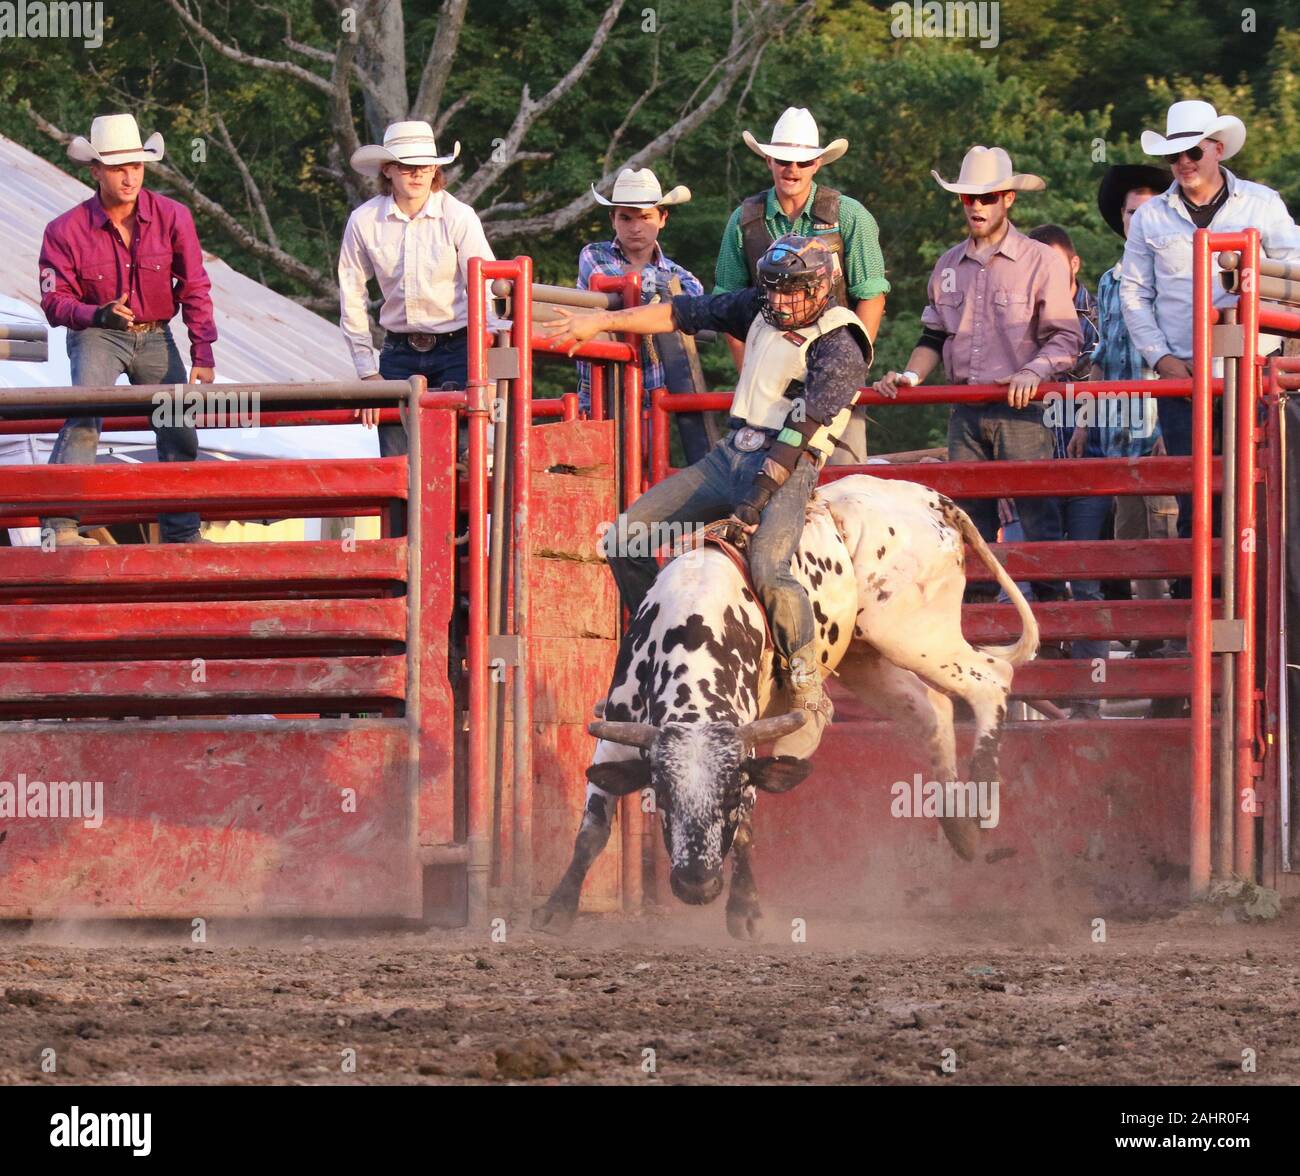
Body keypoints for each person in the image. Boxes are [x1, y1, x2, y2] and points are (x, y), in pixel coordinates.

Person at [543, 235, 872, 725]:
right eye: (774, 290)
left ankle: (805, 682)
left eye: (791, 292)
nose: (779, 301)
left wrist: (755, 501)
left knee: (769, 568)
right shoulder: (761, 305)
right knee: (626, 538)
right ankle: (655, 639)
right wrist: (603, 320)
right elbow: (680, 313)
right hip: (731, 455)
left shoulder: (840, 343)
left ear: (821, 289)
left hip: (789, 462)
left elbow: (801, 432)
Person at [874, 146, 1081, 599]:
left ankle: (1053, 627)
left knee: (1038, 517)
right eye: (969, 198)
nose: (977, 206)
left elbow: (1067, 338)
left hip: (1023, 409)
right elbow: (932, 336)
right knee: (968, 522)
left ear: (1008, 199)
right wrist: (910, 376)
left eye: (986, 197)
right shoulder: (948, 264)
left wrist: (1034, 371)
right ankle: (972, 629)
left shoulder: (1040, 260)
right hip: (964, 409)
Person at [1121, 100, 1300, 602]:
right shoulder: (1152, 217)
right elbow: (1134, 292)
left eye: (1193, 152)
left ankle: (1254, 605)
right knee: (1194, 495)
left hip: (1255, 373)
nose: (1183, 164)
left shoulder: (1263, 204)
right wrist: (1161, 358)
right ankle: (1198, 603)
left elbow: (1295, 272)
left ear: (1216, 150)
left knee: (1256, 494)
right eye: (1175, 156)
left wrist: (1251, 309)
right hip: (1187, 376)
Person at [38, 113, 215, 546]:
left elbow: (194, 284)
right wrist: (99, 314)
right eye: (118, 167)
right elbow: (53, 301)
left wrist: (203, 352)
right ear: (95, 171)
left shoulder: (173, 216)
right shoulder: (64, 230)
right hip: (97, 334)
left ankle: (181, 535)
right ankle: (60, 526)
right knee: (86, 415)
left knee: (176, 424)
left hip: (156, 332)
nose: (129, 176)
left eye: (136, 166)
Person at [713, 107, 888, 464]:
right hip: (767, 380)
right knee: (758, 482)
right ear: (769, 161)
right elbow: (727, 309)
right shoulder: (744, 220)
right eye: (782, 159)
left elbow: (871, 296)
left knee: (840, 482)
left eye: (802, 161)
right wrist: (753, 377)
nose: (792, 168)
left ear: (817, 164)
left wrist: (849, 371)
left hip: (832, 368)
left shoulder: (851, 216)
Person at [339, 120, 496, 456]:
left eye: (424, 166)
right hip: (397, 351)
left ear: (434, 170)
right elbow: (351, 292)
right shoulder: (364, 221)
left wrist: (487, 361)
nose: (417, 174)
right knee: (398, 464)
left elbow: (485, 288)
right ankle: (403, 510)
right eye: (407, 166)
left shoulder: (458, 216)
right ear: (388, 170)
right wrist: (367, 374)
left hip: (458, 348)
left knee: (460, 459)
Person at [1094, 164, 1178, 632]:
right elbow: (1105, 354)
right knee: (1129, 544)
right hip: (1117, 433)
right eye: (1131, 212)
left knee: (1165, 539)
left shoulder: (1175, 280)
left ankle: (1170, 642)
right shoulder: (1110, 281)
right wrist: (1086, 415)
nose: (1139, 219)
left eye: (1148, 211)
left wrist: (1174, 420)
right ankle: (1147, 641)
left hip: (1159, 427)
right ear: (1123, 220)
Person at [577, 168, 710, 462]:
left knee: (647, 470)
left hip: (651, 395)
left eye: (645, 216)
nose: (635, 226)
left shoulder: (681, 275)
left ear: (662, 219)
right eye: (626, 217)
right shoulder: (593, 255)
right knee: (597, 471)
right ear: (613, 220)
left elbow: (693, 299)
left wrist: (644, 282)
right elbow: (619, 283)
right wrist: (662, 291)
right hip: (600, 393)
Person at [1026, 223, 1105, 717]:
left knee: (1085, 572)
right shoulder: (1024, 314)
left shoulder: (1098, 316)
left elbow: (1105, 367)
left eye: (1055, 265)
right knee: (1039, 571)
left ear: (1073, 265)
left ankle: (1089, 697)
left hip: (1087, 464)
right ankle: (1051, 685)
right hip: (1035, 459)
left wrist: (1089, 412)